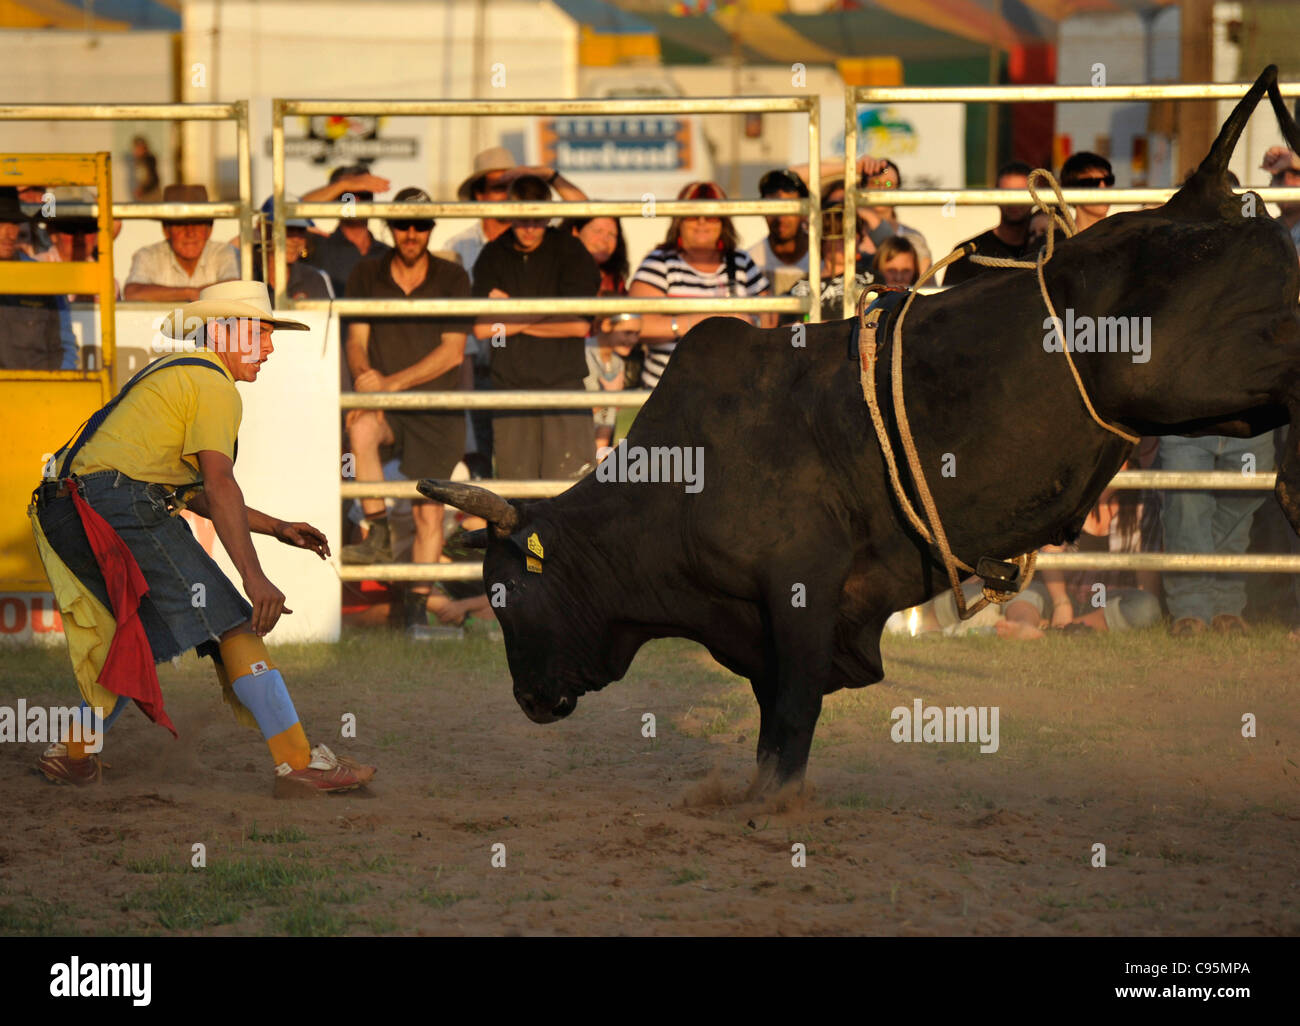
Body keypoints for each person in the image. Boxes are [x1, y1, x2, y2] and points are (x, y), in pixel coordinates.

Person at [29, 280, 375, 793]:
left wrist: (276, 527)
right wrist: (256, 579)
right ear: (227, 331)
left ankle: (73, 753)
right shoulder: (213, 384)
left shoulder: (178, 376)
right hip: (116, 505)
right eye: (261, 333)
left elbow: (188, 491)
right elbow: (218, 482)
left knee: (138, 637)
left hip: (69, 509)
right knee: (234, 623)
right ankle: (298, 763)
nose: (270, 346)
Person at [340, 188, 473, 640]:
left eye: (420, 225)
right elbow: (355, 342)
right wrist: (364, 382)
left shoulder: (453, 277)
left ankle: (416, 613)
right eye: (403, 225)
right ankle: (375, 531)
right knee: (359, 426)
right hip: (386, 406)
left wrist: (387, 385)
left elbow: (453, 353)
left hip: (437, 410)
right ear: (391, 228)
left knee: (428, 517)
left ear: (431, 229)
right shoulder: (365, 272)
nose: (411, 233)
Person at [471, 174, 600, 479]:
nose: (529, 228)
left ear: (549, 213)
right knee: (517, 501)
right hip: (510, 392)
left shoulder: (570, 250)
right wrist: (552, 311)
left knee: (570, 493)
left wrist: (512, 310)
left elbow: (579, 327)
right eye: (522, 219)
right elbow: (482, 330)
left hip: (564, 388)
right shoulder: (492, 254)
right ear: (510, 212)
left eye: (538, 219)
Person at [628, 181, 771, 389]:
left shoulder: (740, 261)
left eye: (711, 216)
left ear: (723, 222)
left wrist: (749, 326)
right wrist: (705, 322)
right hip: (670, 390)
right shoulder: (660, 261)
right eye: (693, 215)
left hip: (732, 389)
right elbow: (634, 326)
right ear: (679, 221)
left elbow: (769, 318)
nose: (702, 223)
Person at [561, 214, 633, 452]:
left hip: (605, 362)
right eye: (598, 231)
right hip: (568, 365)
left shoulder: (616, 281)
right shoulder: (559, 271)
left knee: (605, 422)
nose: (606, 240)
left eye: (612, 234)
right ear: (574, 232)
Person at [0, 187, 77, 370]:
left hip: (37, 394)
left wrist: (57, 391)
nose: (11, 234)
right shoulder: (42, 275)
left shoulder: (43, 277)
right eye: (2, 223)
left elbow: (64, 347)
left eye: (15, 224)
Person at [123, 184, 239, 301]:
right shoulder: (148, 256)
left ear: (209, 230)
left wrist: (189, 294)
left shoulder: (225, 252)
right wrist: (191, 293)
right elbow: (132, 293)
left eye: (197, 224)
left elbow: (235, 288)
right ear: (166, 230)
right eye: (180, 224)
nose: (190, 233)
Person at [299, 165, 392, 297]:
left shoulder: (388, 254)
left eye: (364, 193)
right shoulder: (318, 247)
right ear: (334, 198)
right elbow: (291, 212)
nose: (356, 201)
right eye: (348, 195)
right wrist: (343, 185)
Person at [941, 161, 1034, 287]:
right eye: (1006, 194)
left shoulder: (1048, 250)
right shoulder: (965, 254)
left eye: (1020, 194)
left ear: (1035, 196)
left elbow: (1069, 306)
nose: (1014, 201)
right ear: (994, 196)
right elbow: (948, 304)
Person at [785, 206, 873, 323]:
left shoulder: (872, 279)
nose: (845, 242)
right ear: (821, 239)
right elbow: (788, 331)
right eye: (837, 234)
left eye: (851, 234)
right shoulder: (800, 287)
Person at [854, 158, 932, 276]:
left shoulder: (914, 238)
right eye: (875, 183)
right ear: (863, 187)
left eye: (889, 184)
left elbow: (926, 285)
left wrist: (873, 220)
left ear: (898, 190)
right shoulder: (850, 235)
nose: (882, 189)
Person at [250, 195, 333, 300]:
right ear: (264, 229)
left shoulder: (314, 279)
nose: (296, 238)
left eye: (301, 230)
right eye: (287, 229)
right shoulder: (245, 276)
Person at [747, 168, 811, 289]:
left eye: (788, 208)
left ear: (805, 212)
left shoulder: (824, 258)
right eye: (774, 208)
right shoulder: (750, 262)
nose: (781, 218)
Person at [1059, 152, 1114, 233]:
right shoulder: (1054, 243)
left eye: (1108, 181)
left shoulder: (1128, 239)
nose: (1103, 187)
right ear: (1071, 190)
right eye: (1091, 182)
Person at [1262, 145, 1300, 256]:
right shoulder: (1265, 232)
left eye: (1296, 174)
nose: (1286, 182)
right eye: (1279, 176)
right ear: (1270, 185)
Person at [129, 136, 161, 203]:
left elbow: (153, 179)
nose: (135, 151)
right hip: (146, 195)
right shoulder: (140, 161)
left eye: (137, 148)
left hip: (152, 195)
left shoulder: (148, 160)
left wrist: (143, 190)